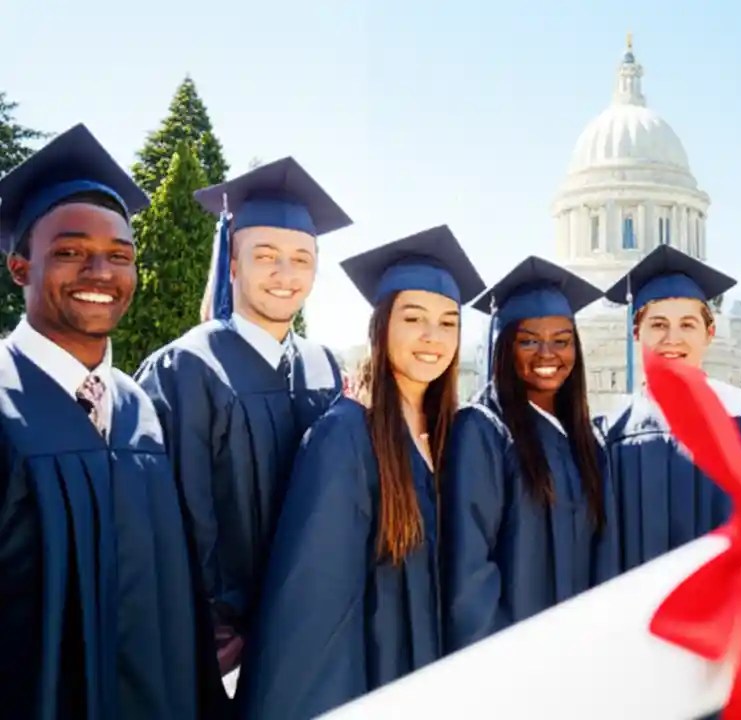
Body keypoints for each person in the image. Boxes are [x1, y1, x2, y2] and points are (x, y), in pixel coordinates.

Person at [0, 124, 217, 716]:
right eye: (69, 252)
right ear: (20, 266)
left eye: (119, 256)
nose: (100, 272)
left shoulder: (139, 407)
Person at [237, 225, 485, 718]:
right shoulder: (345, 437)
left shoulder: (458, 438)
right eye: (413, 318)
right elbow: (314, 618)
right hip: (377, 688)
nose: (433, 338)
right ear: (381, 326)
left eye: (448, 322)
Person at [134, 157, 349, 680]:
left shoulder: (324, 367)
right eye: (265, 256)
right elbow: (170, 527)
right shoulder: (187, 367)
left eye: (301, 258)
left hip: (313, 639)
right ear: (232, 265)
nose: (285, 274)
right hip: (215, 654)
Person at [441, 256, 618, 653]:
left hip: (582, 657)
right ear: (503, 348)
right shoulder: (482, 430)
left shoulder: (588, 441)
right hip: (513, 665)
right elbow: (469, 574)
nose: (547, 354)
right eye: (528, 340)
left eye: (562, 339)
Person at [597, 245, 741, 570]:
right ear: (637, 333)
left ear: (709, 333)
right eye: (658, 324)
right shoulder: (610, 433)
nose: (672, 338)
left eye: (688, 325)